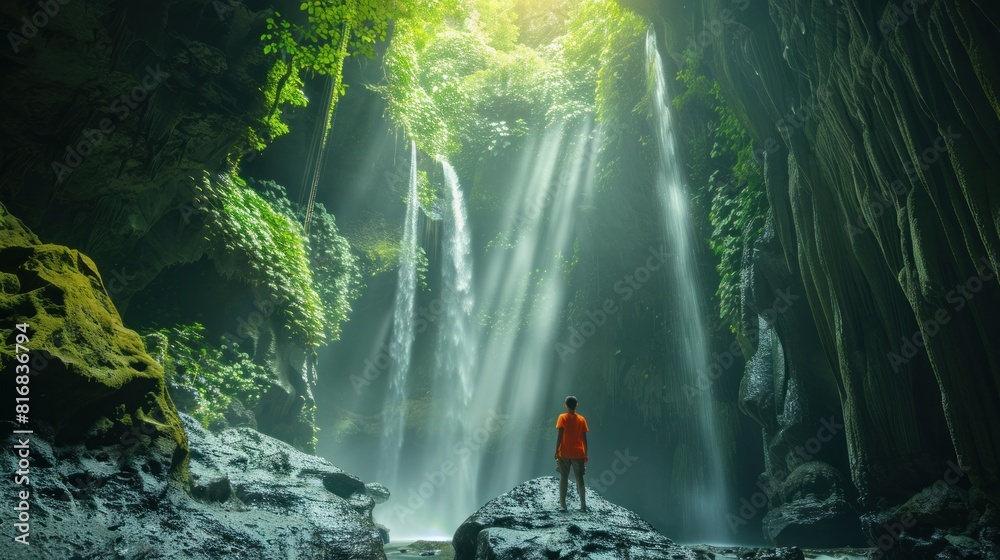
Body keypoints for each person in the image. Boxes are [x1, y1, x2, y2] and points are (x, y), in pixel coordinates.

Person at [554, 395, 588, 512]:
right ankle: (583, 505)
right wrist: (585, 454)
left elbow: (560, 435)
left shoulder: (562, 417)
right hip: (578, 452)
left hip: (564, 451)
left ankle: (563, 505)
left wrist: (556, 450)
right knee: (580, 477)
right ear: (576, 405)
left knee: (564, 476)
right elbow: (584, 438)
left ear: (566, 405)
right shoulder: (581, 419)